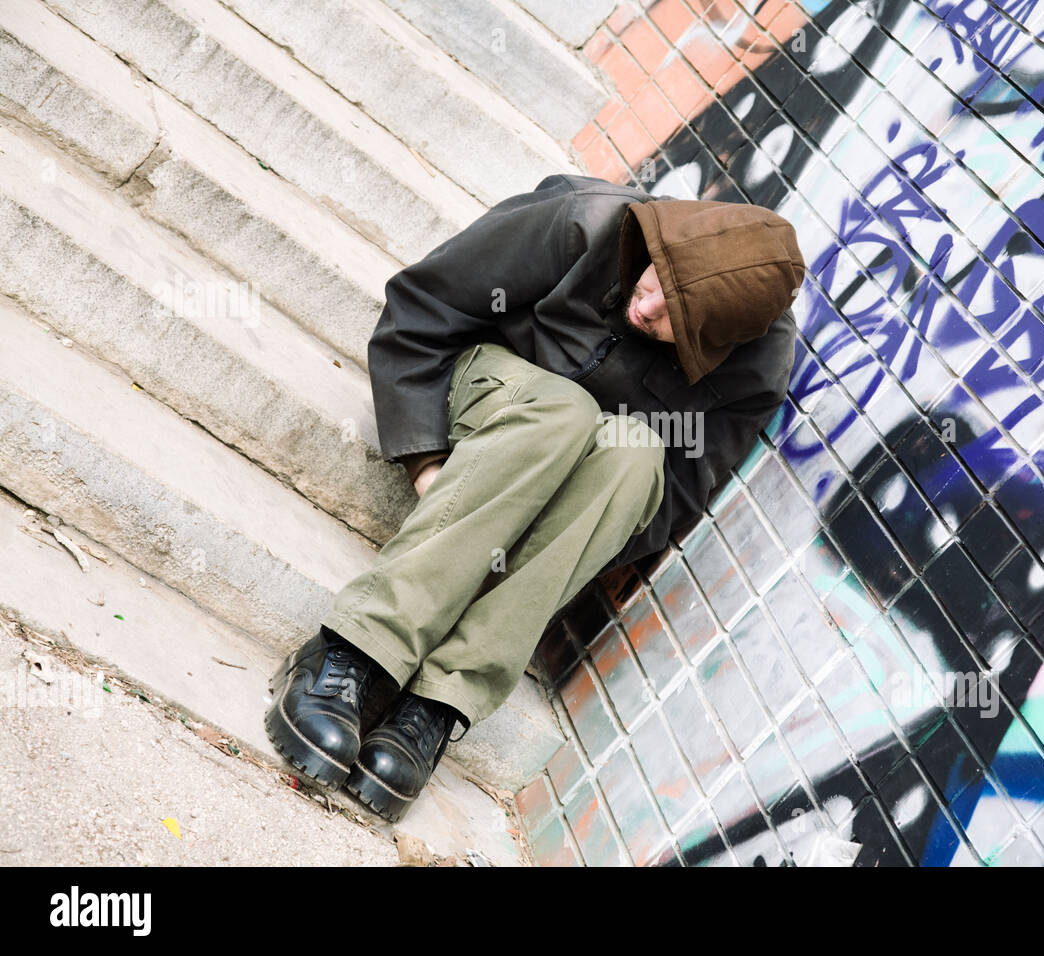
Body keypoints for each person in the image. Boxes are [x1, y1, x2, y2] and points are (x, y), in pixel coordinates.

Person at [265, 173, 806, 822]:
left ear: (718, 341)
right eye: (656, 282)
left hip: (571, 469)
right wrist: (427, 464)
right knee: (564, 411)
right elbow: (422, 309)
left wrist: (551, 540)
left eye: (679, 322)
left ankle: (437, 703)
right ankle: (352, 649)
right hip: (486, 398)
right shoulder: (586, 222)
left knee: (638, 459)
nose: (649, 309)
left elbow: (672, 500)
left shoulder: (756, 368)